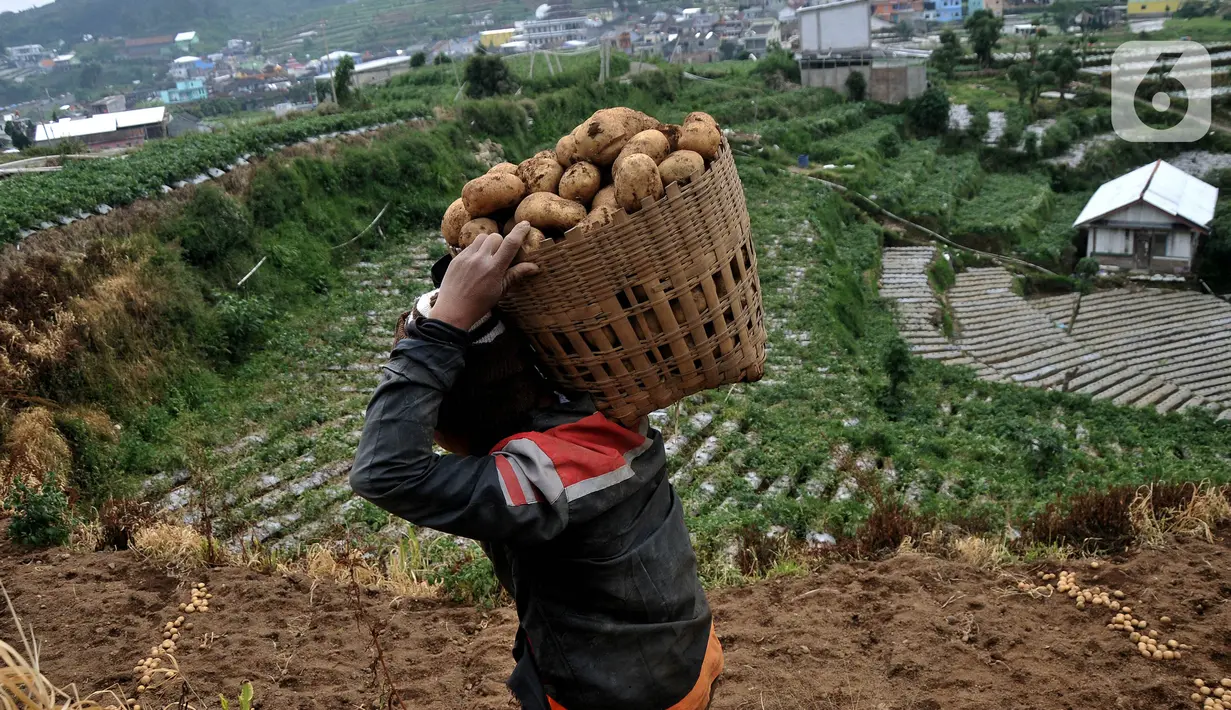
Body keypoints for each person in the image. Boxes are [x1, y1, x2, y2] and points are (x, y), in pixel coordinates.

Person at [349, 223, 723, 710]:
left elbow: (384, 472)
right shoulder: (608, 410)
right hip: (690, 654)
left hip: (621, 698)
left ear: (447, 424)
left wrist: (442, 329)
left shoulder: (538, 481)